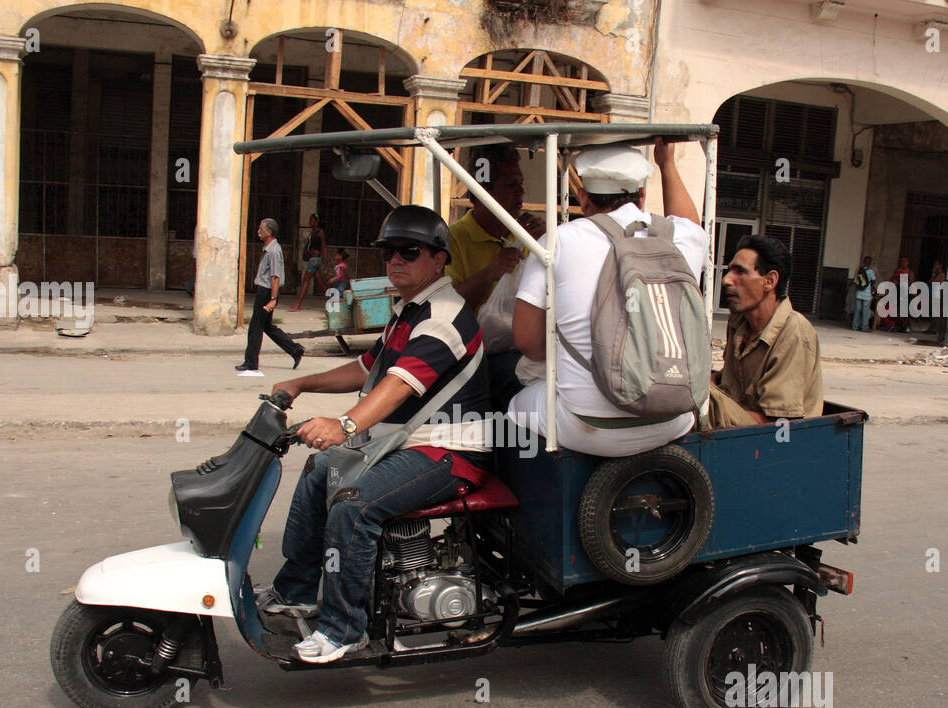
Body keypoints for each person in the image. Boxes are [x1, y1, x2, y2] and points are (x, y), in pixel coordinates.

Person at [263, 205, 491, 663]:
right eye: (389, 252)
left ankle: (344, 629)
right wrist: (302, 383)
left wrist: (344, 424)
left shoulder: (445, 316)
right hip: (408, 441)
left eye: (409, 251)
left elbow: (400, 383)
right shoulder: (409, 311)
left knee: (354, 502)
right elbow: (369, 368)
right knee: (319, 469)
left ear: (439, 259)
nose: (395, 260)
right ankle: (298, 590)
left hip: (450, 452)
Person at [507, 139, 707, 457]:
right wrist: (666, 164)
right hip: (673, 418)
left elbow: (527, 342)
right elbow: (691, 223)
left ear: (583, 198)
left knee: (515, 405)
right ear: (642, 196)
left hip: (589, 428)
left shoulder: (557, 242)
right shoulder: (683, 238)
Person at [446, 144, 546, 410]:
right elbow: (445, 306)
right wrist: (490, 273)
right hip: (474, 353)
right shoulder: (453, 239)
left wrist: (548, 247)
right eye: (511, 185)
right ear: (484, 193)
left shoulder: (528, 236)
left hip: (527, 347)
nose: (521, 193)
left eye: (521, 184)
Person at [707, 234, 823, 429]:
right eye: (728, 272)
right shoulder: (738, 321)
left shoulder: (794, 332)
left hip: (775, 440)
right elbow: (732, 380)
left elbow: (779, 421)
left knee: (700, 407)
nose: (726, 280)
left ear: (769, 281)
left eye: (739, 272)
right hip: (738, 425)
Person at [237, 218, 303, 375]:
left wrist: (272, 299)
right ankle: (295, 350)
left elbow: (275, 277)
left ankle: (251, 363)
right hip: (266, 292)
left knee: (255, 327)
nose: (258, 231)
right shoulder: (269, 248)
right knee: (266, 326)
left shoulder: (274, 251)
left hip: (267, 293)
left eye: (261, 229)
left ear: (269, 232)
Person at [290, 213, 327, 311]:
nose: (310, 222)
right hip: (312, 259)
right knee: (320, 283)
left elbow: (324, 248)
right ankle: (334, 298)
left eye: (312, 220)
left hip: (315, 259)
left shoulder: (320, 232)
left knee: (305, 281)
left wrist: (326, 265)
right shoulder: (312, 233)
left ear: (317, 221)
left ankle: (297, 305)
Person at [878, 256, 914, 332]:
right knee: (895, 310)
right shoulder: (897, 271)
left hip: (905, 294)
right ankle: (893, 325)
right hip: (896, 293)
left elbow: (911, 282)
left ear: (908, 263)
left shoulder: (910, 272)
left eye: (905, 261)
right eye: (902, 261)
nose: (903, 263)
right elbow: (892, 280)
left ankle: (904, 326)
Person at [851, 255, 875, 332]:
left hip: (858, 293)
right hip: (867, 294)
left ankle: (855, 326)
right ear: (870, 263)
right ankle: (864, 327)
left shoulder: (858, 270)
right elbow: (873, 281)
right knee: (865, 311)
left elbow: (855, 282)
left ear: (864, 262)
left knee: (857, 310)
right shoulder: (870, 271)